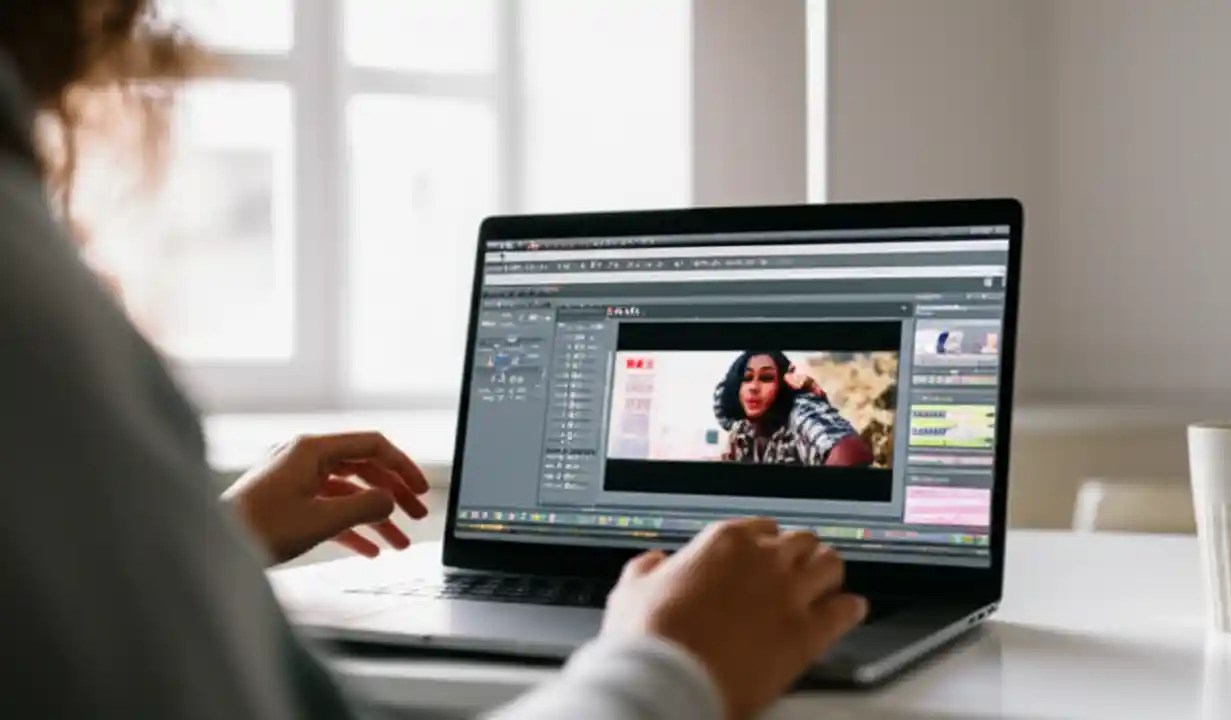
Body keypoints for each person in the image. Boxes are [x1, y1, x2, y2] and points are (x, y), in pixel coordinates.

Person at [0, 3, 869, 719]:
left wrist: (207, 547)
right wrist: (671, 664)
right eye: (748, 374)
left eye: (770, 373)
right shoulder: (23, 293)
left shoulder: (807, 422)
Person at [715, 351, 874, 467]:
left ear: (783, 384)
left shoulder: (798, 408)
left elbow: (852, 451)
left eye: (766, 378)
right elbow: (722, 404)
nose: (754, 388)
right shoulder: (743, 428)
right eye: (747, 379)